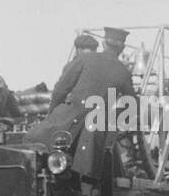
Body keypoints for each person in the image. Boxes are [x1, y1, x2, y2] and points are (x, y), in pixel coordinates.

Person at [29, 27, 138, 179]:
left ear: (103, 44)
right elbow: (132, 106)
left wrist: (51, 116)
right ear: (122, 48)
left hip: (65, 122)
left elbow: (60, 90)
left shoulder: (85, 59)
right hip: (95, 132)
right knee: (88, 175)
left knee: (32, 146)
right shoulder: (123, 72)